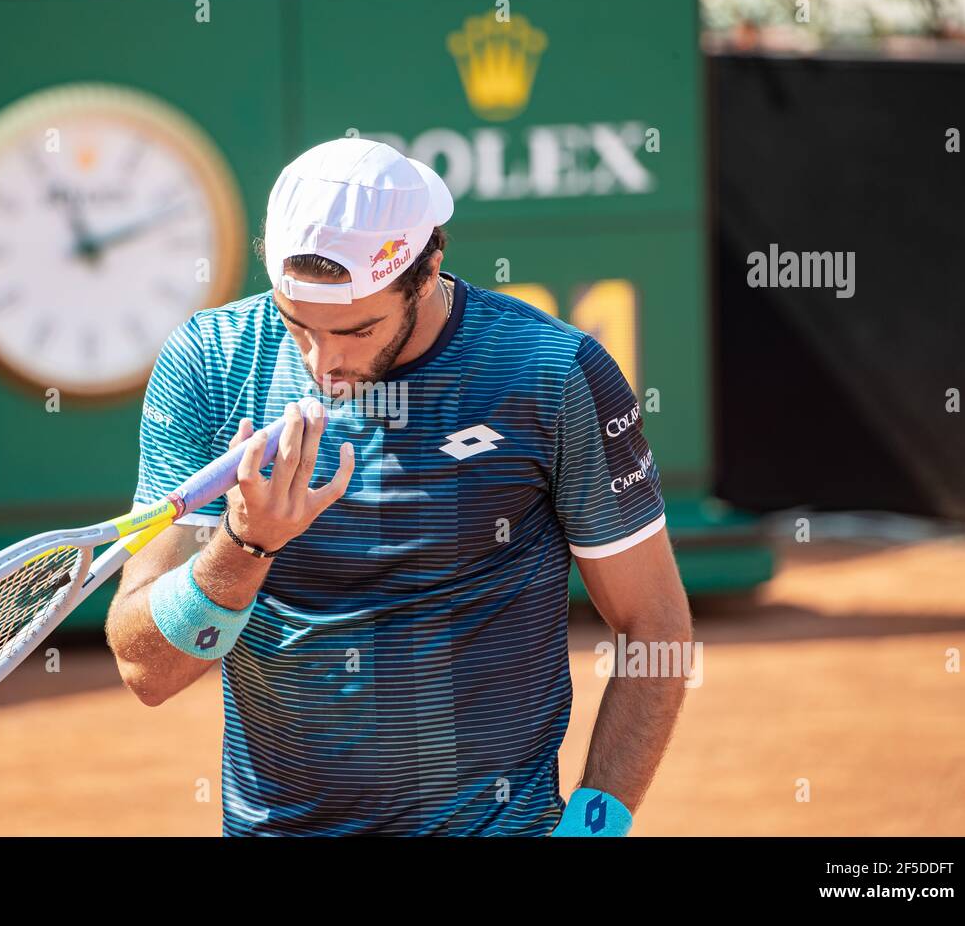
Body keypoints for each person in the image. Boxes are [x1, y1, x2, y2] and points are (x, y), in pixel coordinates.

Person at [105, 136, 691, 836]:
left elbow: (654, 623)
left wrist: (594, 829)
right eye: (298, 326)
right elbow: (149, 674)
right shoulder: (208, 362)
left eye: (355, 329)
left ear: (428, 269)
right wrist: (246, 546)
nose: (325, 363)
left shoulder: (554, 373)